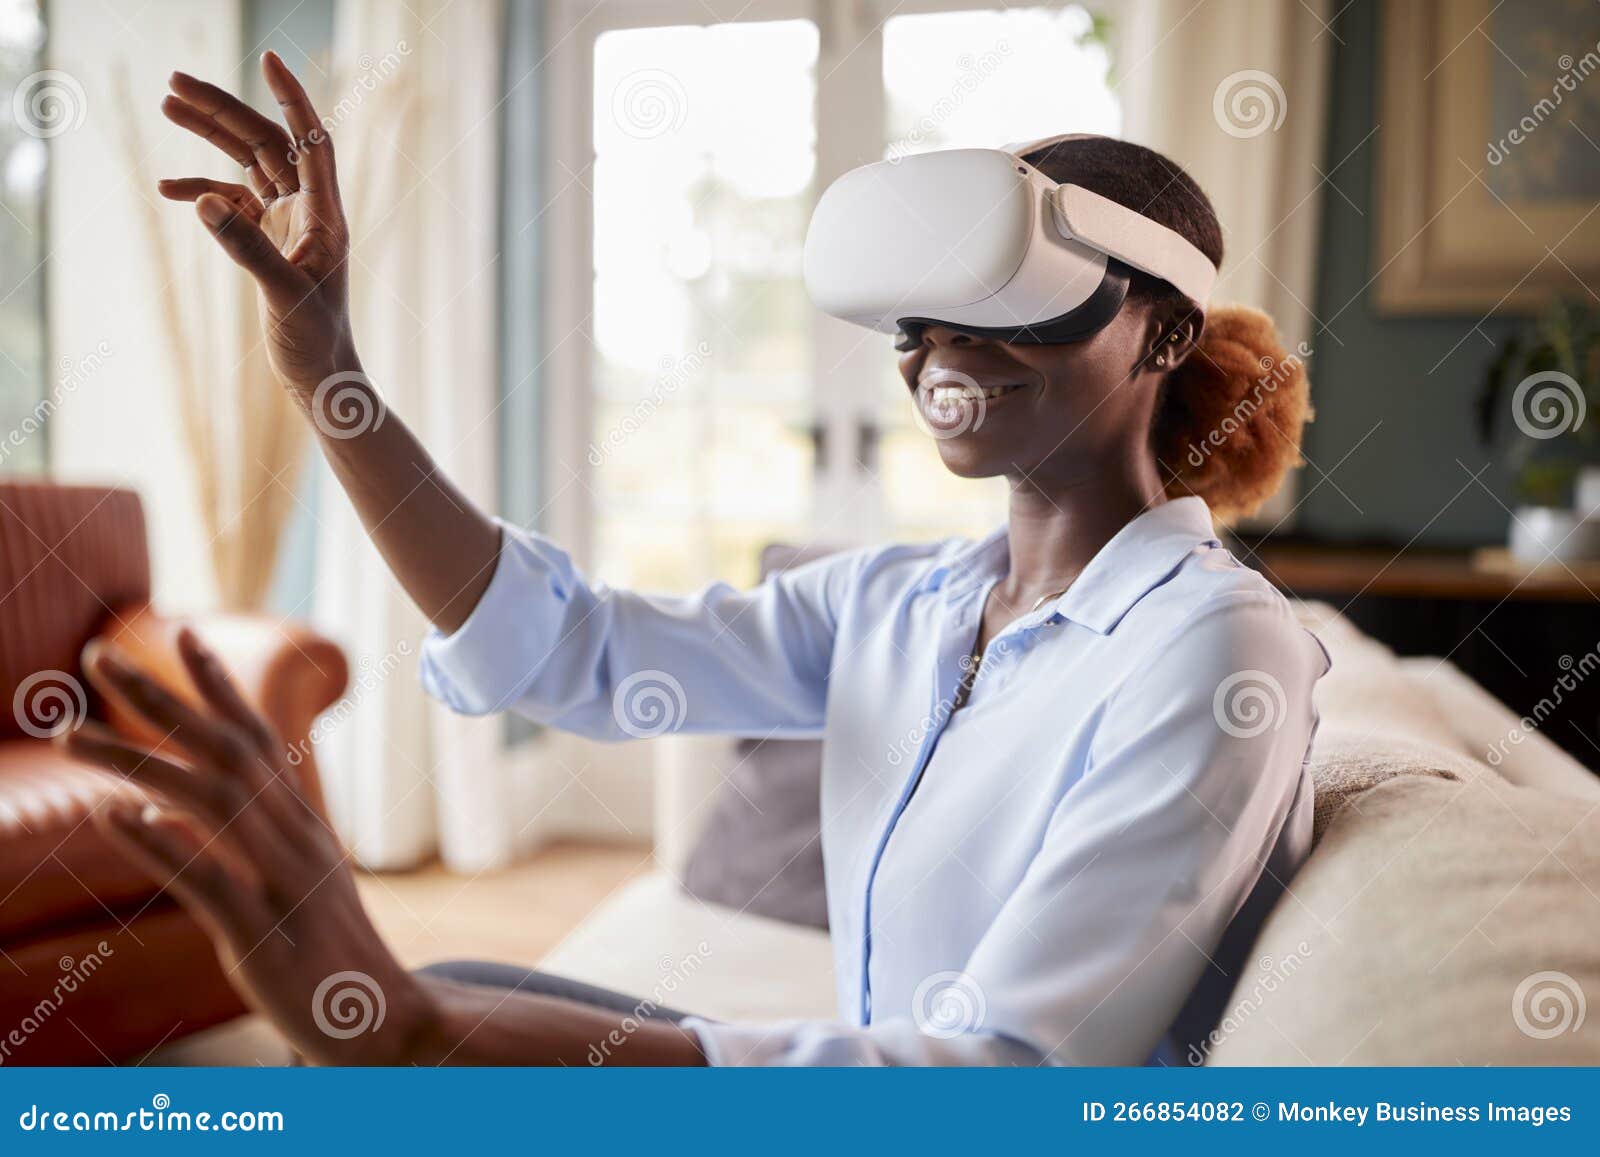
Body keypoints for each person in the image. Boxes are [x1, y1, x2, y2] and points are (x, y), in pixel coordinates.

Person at [61, 52, 1327, 1066]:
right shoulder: (904, 601)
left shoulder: (1213, 644)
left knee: (412, 1035)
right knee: (414, 1014)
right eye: (919, 307)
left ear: (1158, 333)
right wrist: (326, 370)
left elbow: (995, 1070)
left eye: (1008, 293)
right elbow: (572, 648)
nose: (940, 343)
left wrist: (415, 1030)